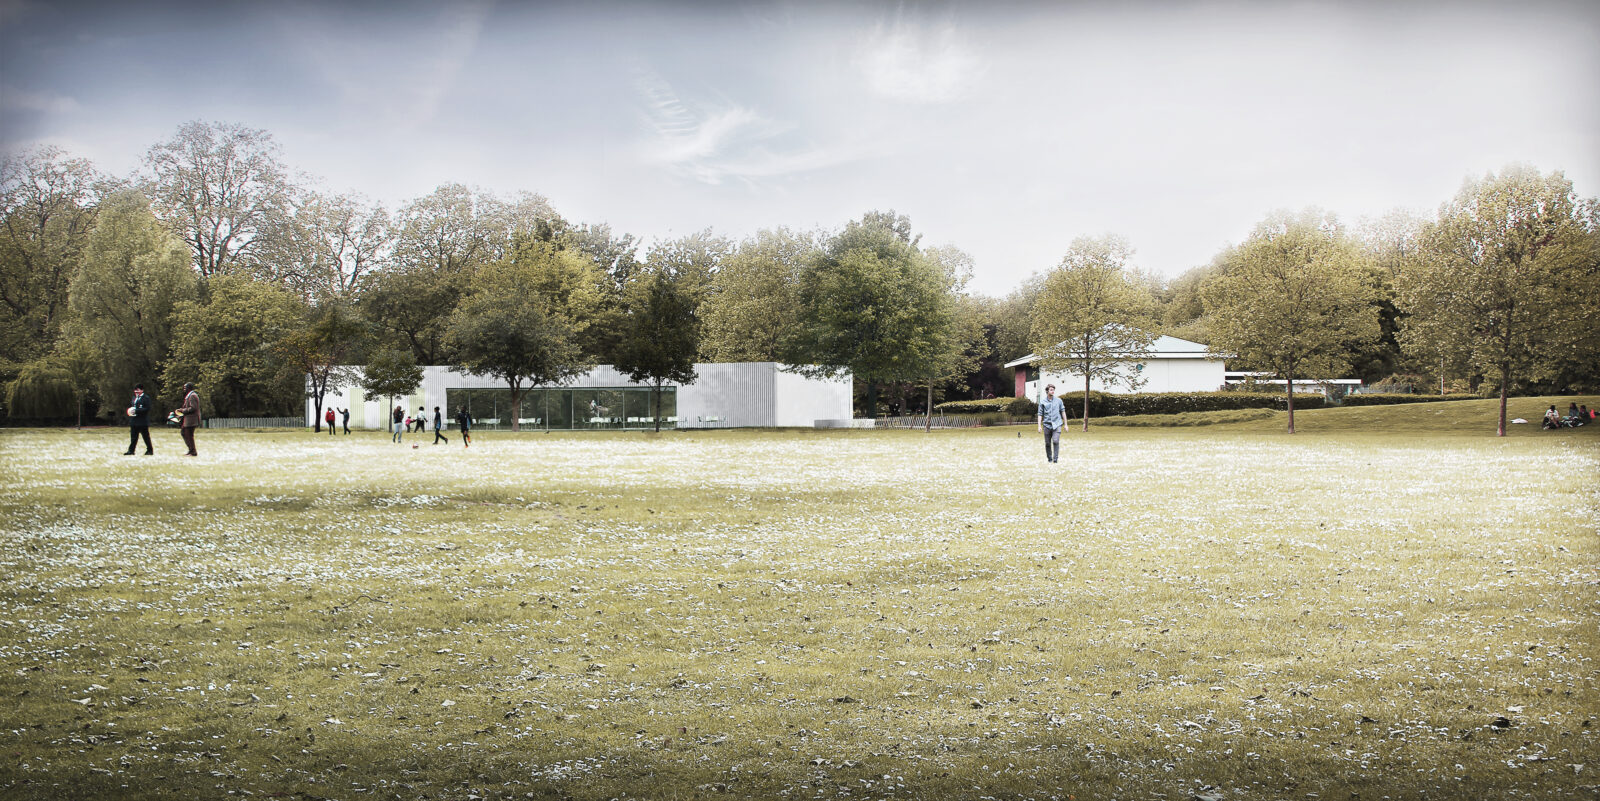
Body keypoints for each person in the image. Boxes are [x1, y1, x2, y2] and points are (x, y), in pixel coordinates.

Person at [1036, 383, 1065, 463]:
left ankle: (1055, 460)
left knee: (1055, 441)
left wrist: (1066, 424)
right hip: (1047, 425)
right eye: (1051, 390)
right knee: (1047, 443)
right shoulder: (1042, 402)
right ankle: (1049, 459)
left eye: (1053, 390)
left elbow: (1063, 412)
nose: (1053, 391)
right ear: (1047, 391)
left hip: (1057, 424)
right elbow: (1040, 414)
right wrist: (1039, 426)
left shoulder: (1059, 401)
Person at [124, 384, 153, 456]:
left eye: (138, 390)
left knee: (146, 437)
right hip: (134, 421)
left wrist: (136, 411)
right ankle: (131, 451)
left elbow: (147, 408)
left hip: (142, 421)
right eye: (135, 390)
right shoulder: (134, 398)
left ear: (142, 390)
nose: (136, 391)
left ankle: (150, 450)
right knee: (133, 437)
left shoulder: (146, 398)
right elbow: (132, 406)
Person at [177, 382, 201, 456]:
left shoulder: (193, 396)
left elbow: (193, 408)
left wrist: (183, 411)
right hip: (188, 419)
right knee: (184, 433)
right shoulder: (189, 395)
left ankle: (193, 451)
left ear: (189, 388)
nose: (184, 389)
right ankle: (191, 450)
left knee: (188, 435)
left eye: (185, 387)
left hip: (191, 420)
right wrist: (181, 410)